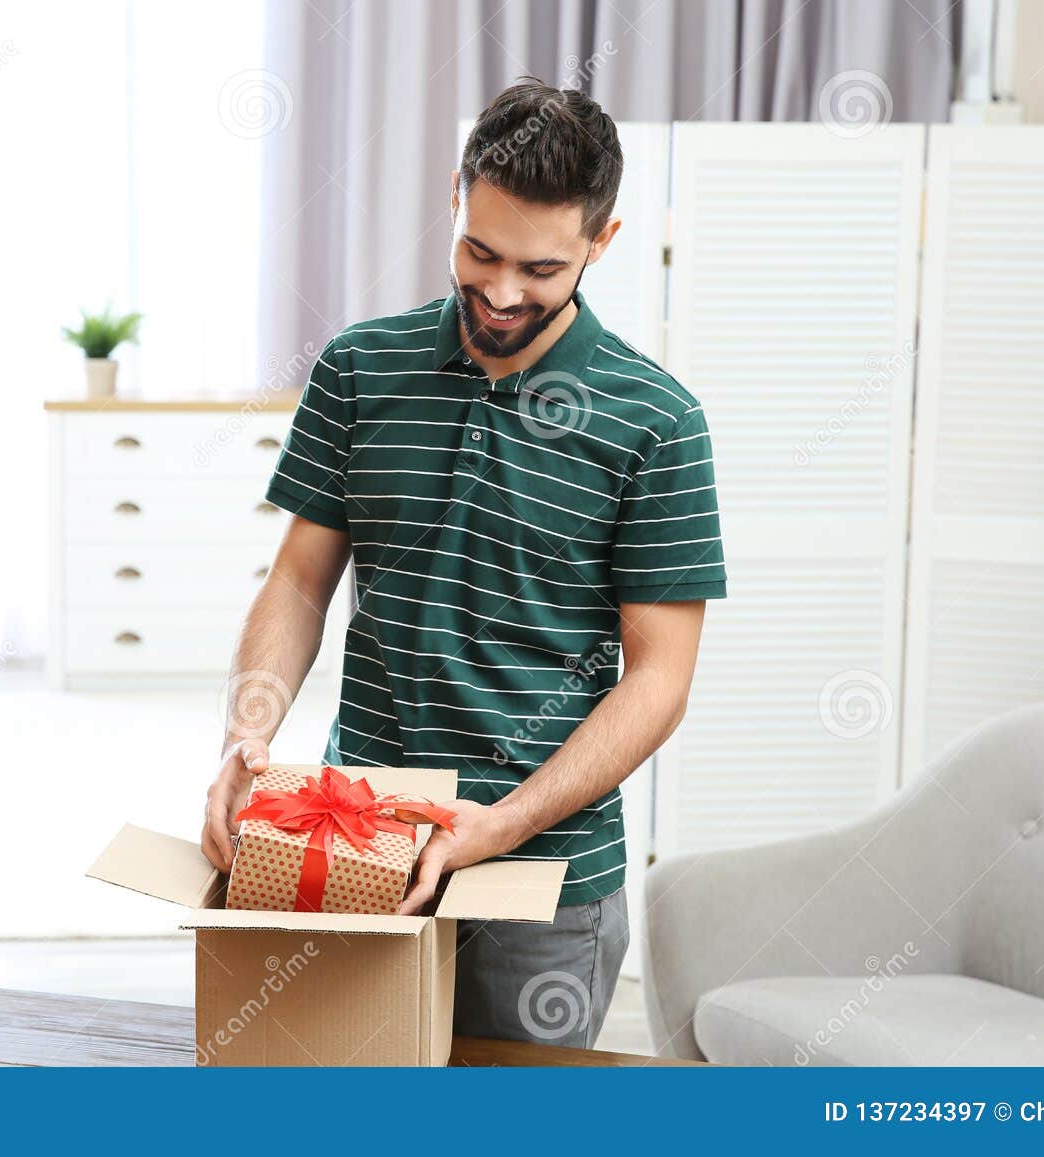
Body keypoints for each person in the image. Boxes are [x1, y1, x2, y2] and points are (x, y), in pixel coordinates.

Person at [200, 77, 726, 1050]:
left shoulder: (657, 419)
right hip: (365, 844)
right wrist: (248, 731)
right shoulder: (360, 368)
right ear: (456, 193)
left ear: (599, 245)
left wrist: (502, 822)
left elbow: (659, 677)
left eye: (539, 267)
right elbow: (299, 579)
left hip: (547, 883)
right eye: (478, 252)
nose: (499, 292)